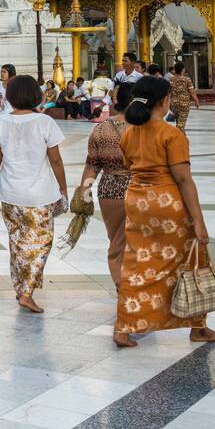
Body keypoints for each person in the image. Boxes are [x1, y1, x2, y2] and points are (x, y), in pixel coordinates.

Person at [114, 76, 215, 348]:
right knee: (193, 261)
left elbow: (127, 164)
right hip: (167, 204)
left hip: (137, 202)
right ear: (164, 101)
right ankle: (198, 327)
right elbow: (183, 179)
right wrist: (199, 222)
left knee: (137, 264)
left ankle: (124, 327)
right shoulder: (172, 134)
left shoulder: (129, 133)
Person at [0, 74, 67, 313]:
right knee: (41, 243)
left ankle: (21, 287)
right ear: (36, 96)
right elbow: (56, 159)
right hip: (40, 194)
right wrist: (63, 187)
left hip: (11, 193)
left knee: (17, 243)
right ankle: (26, 293)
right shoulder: (45, 122)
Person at [76, 83, 133, 288]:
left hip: (110, 190)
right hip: (140, 190)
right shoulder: (145, 128)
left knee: (116, 239)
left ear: (117, 102)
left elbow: (92, 165)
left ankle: (121, 282)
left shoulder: (101, 129)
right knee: (138, 240)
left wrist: (84, 191)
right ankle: (134, 283)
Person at [168, 62, 200, 131]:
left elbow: (168, 93)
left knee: (178, 122)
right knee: (181, 125)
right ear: (183, 70)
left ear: (175, 70)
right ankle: (178, 138)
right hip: (184, 104)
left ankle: (181, 138)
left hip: (174, 104)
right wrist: (196, 101)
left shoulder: (171, 80)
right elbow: (192, 92)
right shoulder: (187, 79)